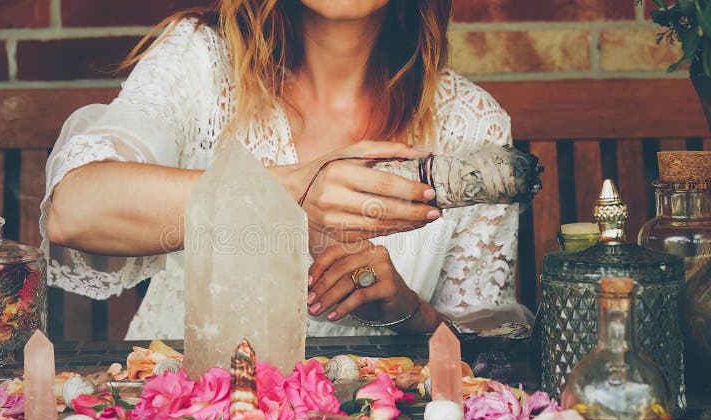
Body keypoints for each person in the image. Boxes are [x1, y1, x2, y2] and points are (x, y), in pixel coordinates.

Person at [41, 0, 532, 340]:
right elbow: (73, 209)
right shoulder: (201, 60)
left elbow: (490, 360)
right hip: (185, 413)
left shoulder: (472, 123)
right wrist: (292, 190)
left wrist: (408, 312)